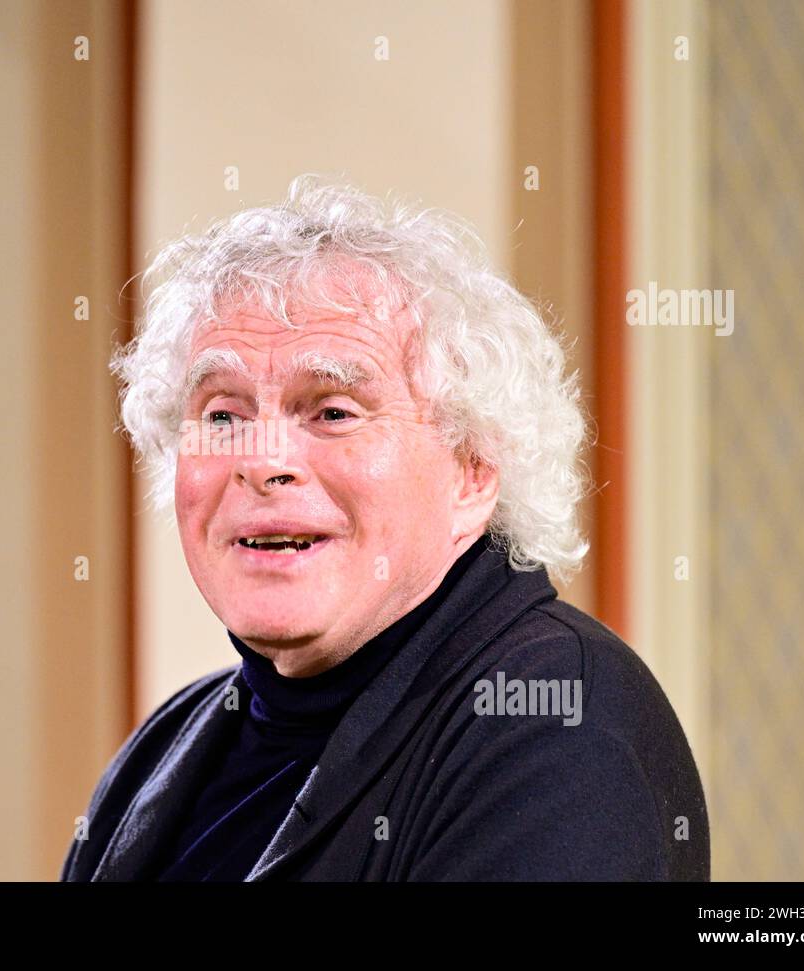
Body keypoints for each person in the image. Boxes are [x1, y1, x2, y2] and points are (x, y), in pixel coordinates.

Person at [61, 174, 708, 881]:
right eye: (223, 415)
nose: (263, 461)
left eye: (332, 410)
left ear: (473, 471)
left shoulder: (561, 719)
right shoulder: (163, 749)